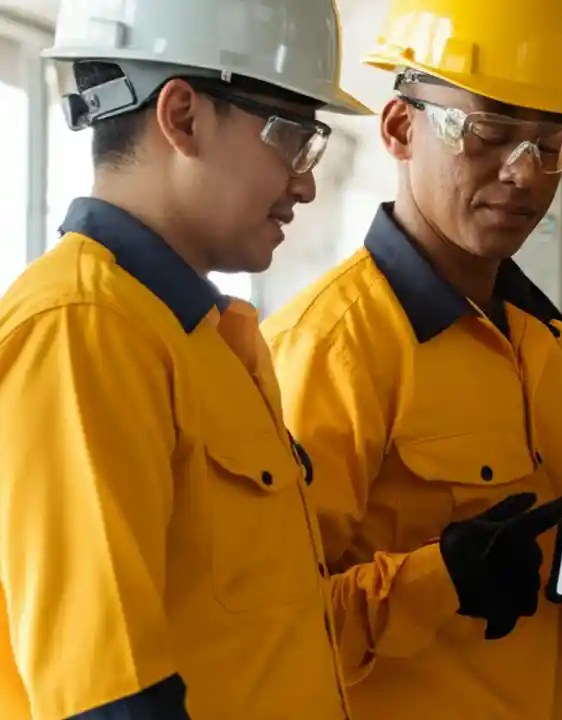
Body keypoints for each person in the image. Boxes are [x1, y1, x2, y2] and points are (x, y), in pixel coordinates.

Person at [264, 1, 562, 717]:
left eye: (550, 144)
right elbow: (263, 631)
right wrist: (439, 582)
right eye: (489, 133)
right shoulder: (332, 348)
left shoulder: (556, 353)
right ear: (400, 129)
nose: (524, 175)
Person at [0, 1, 369, 718]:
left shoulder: (201, 337)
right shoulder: (82, 331)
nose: (305, 182)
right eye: (293, 138)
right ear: (183, 117)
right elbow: (108, 699)